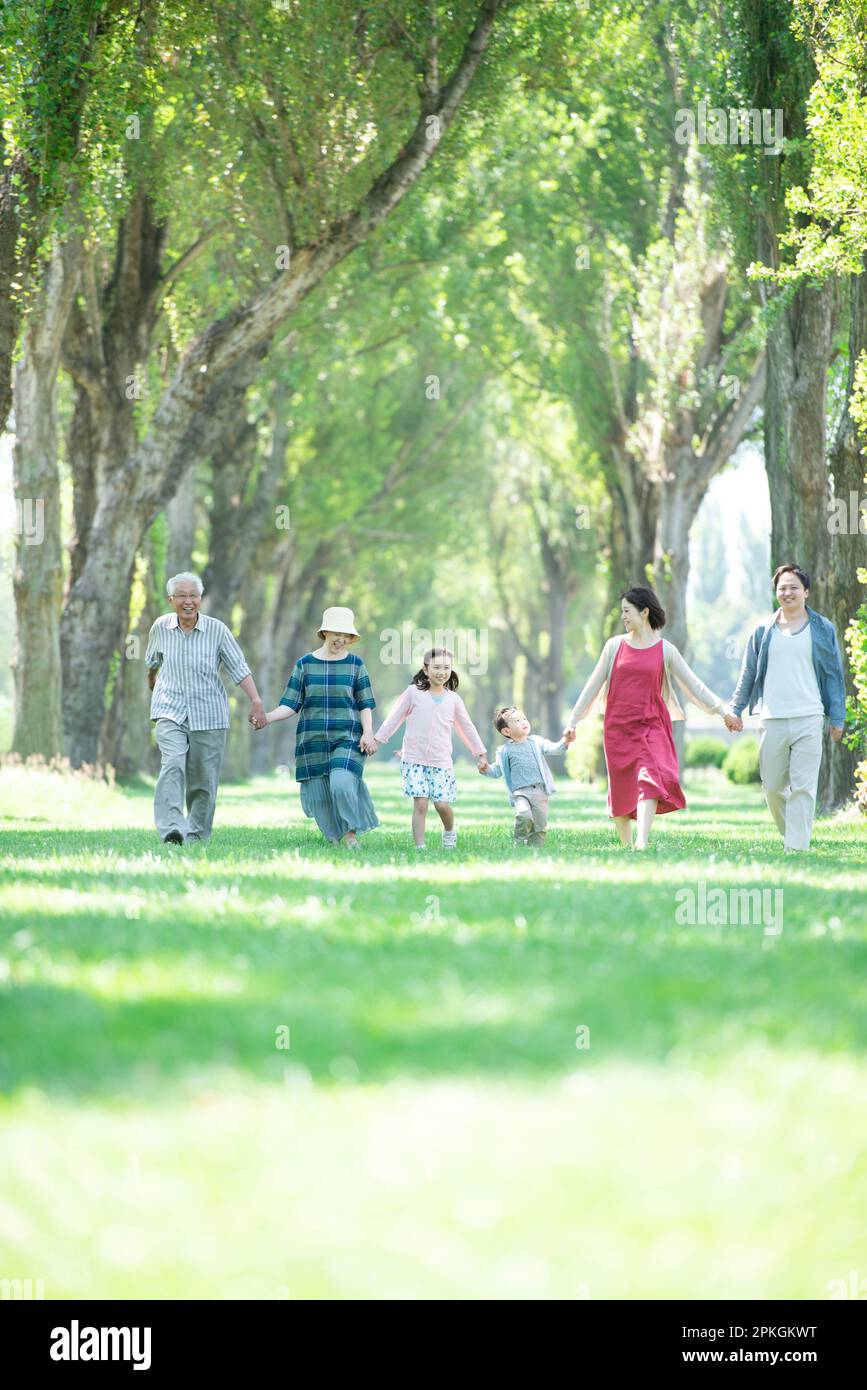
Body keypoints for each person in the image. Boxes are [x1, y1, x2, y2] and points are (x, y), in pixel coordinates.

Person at [563, 586, 735, 850]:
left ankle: (641, 842)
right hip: (617, 727)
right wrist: (574, 720)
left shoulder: (665, 650)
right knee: (620, 787)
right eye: (621, 611)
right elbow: (593, 686)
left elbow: (694, 686)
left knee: (649, 779)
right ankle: (626, 845)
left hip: (652, 725)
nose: (623, 616)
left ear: (644, 612)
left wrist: (723, 711)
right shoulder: (614, 646)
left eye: (627, 611)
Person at [727, 563, 846, 852]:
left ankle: (797, 848)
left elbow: (833, 675)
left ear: (806, 591)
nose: (788, 592)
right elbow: (749, 673)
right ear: (776, 593)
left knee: (804, 787)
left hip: (809, 716)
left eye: (794, 587)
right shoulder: (762, 630)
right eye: (782, 588)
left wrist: (837, 716)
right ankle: (792, 833)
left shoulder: (822, 628)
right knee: (772, 787)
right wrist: (735, 708)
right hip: (773, 718)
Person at [145, 572, 266, 845]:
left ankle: (197, 836)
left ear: (200, 598)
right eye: (182, 596)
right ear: (171, 599)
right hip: (169, 709)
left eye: (193, 596)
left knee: (203, 780)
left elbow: (238, 668)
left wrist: (256, 702)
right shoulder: (160, 627)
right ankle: (172, 829)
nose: (188, 601)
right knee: (173, 763)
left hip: (209, 714)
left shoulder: (217, 630)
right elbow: (152, 659)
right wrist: (153, 681)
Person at [253, 606, 378, 849]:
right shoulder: (305, 664)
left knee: (342, 784)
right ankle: (336, 837)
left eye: (346, 635)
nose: (341, 640)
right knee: (320, 794)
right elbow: (290, 704)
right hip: (313, 739)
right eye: (336, 633)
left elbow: (365, 704)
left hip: (348, 738)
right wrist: (267, 718)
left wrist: (368, 733)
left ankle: (350, 833)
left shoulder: (355, 665)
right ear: (325, 633)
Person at [373, 647, 488, 850]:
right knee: (421, 804)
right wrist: (378, 739)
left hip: (441, 761)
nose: (441, 672)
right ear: (426, 670)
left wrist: (480, 753)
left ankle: (449, 832)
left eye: (446, 667)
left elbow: (466, 727)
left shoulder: (453, 699)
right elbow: (395, 717)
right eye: (436, 667)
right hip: (414, 759)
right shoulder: (413, 693)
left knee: (442, 805)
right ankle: (420, 847)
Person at [484, 706, 570, 847]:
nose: (523, 722)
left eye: (524, 718)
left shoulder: (536, 742)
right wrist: (486, 769)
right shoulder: (504, 751)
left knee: (540, 825)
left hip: (540, 791)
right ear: (506, 731)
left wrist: (565, 741)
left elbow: (553, 748)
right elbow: (497, 771)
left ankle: (535, 850)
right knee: (524, 815)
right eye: (517, 721)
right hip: (520, 792)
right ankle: (519, 841)